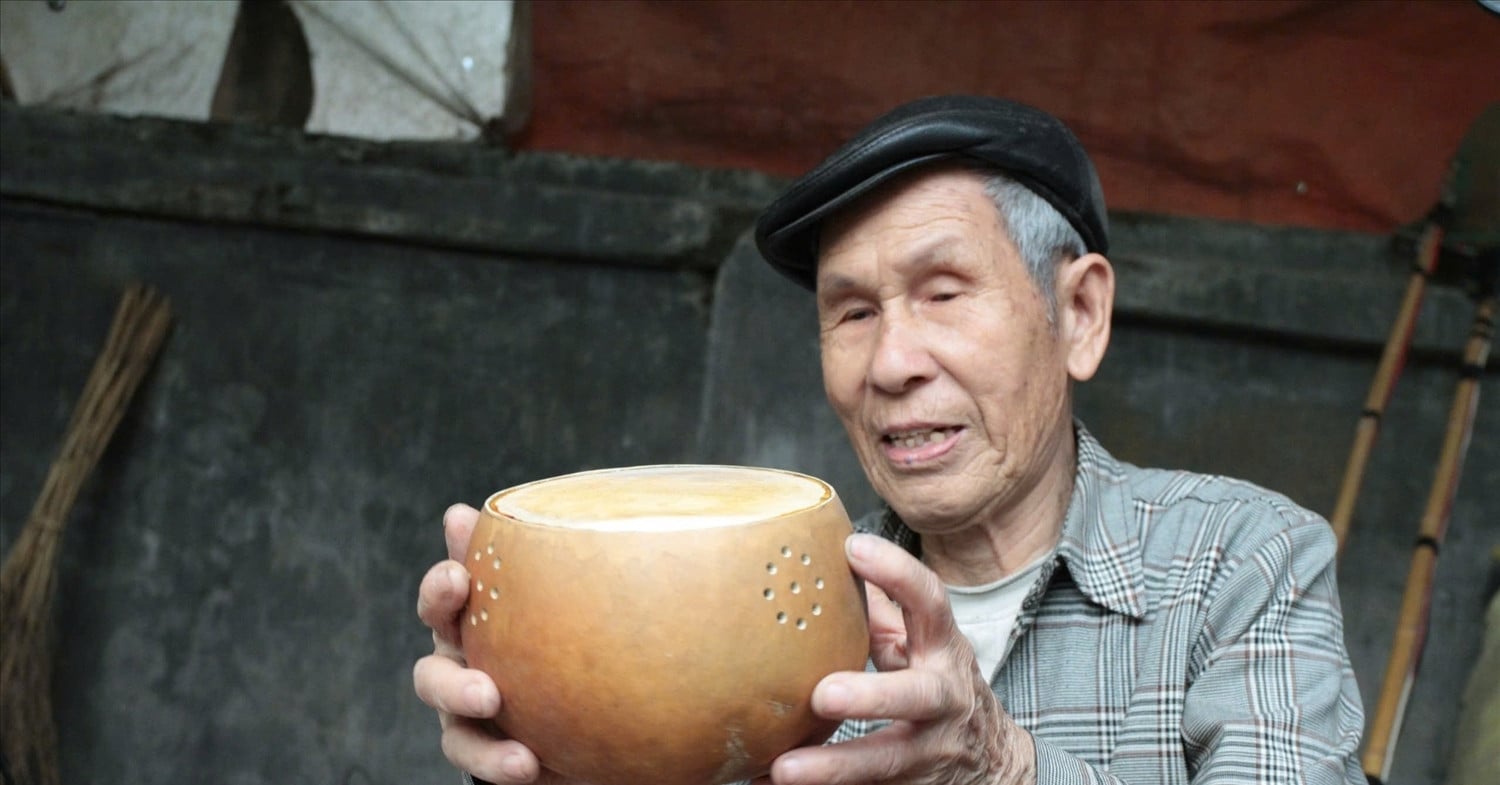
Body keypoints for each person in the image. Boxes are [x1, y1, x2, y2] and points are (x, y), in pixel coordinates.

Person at [413, 95, 1366, 785]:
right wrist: (568, 756)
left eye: (943, 293)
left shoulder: (1243, 562)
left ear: (1078, 313)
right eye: (853, 311)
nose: (891, 361)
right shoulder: (780, 614)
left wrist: (997, 764)